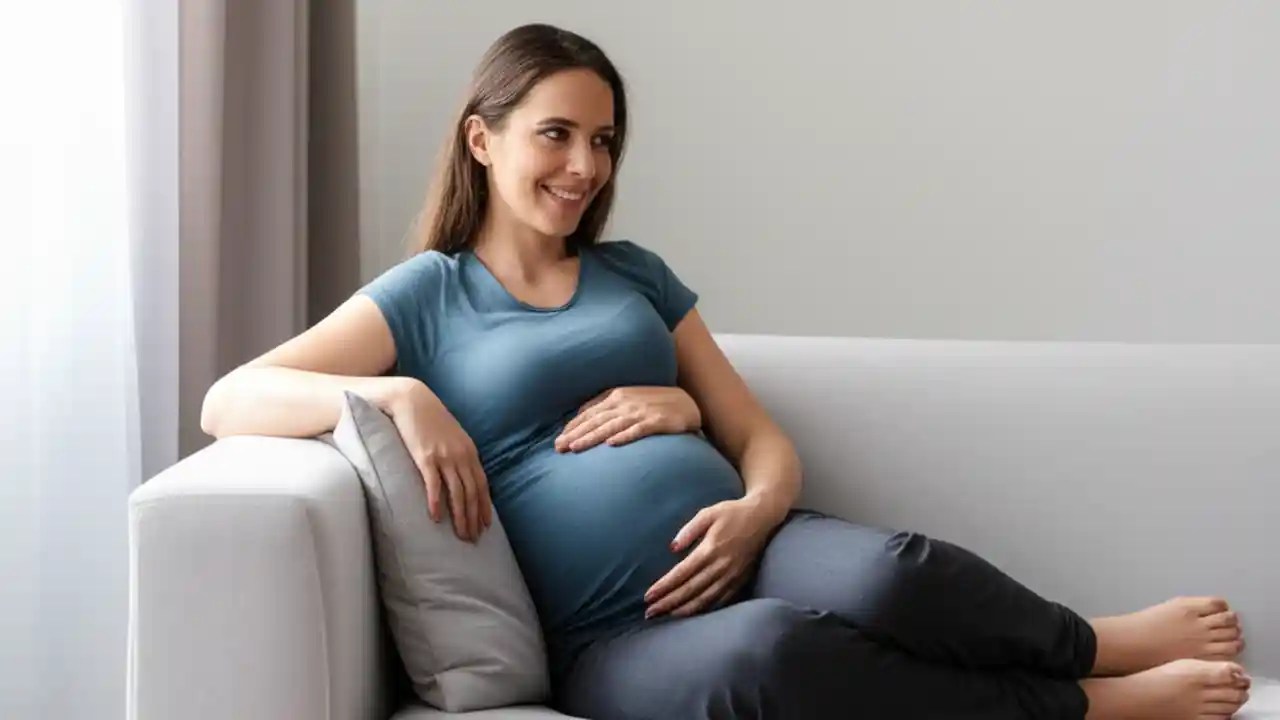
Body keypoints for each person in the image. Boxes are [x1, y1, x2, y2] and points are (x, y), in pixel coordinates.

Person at [201, 23, 1252, 720]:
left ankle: (1091, 642)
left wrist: (753, 511)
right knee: (771, 659)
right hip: (613, 632)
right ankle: (1084, 707)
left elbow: (759, 439)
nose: (582, 167)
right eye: (554, 135)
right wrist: (396, 392)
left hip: (761, 546)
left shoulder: (633, 275)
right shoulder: (424, 295)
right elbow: (229, 399)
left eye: (602, 140)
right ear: (481, 140)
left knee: (892, 570)